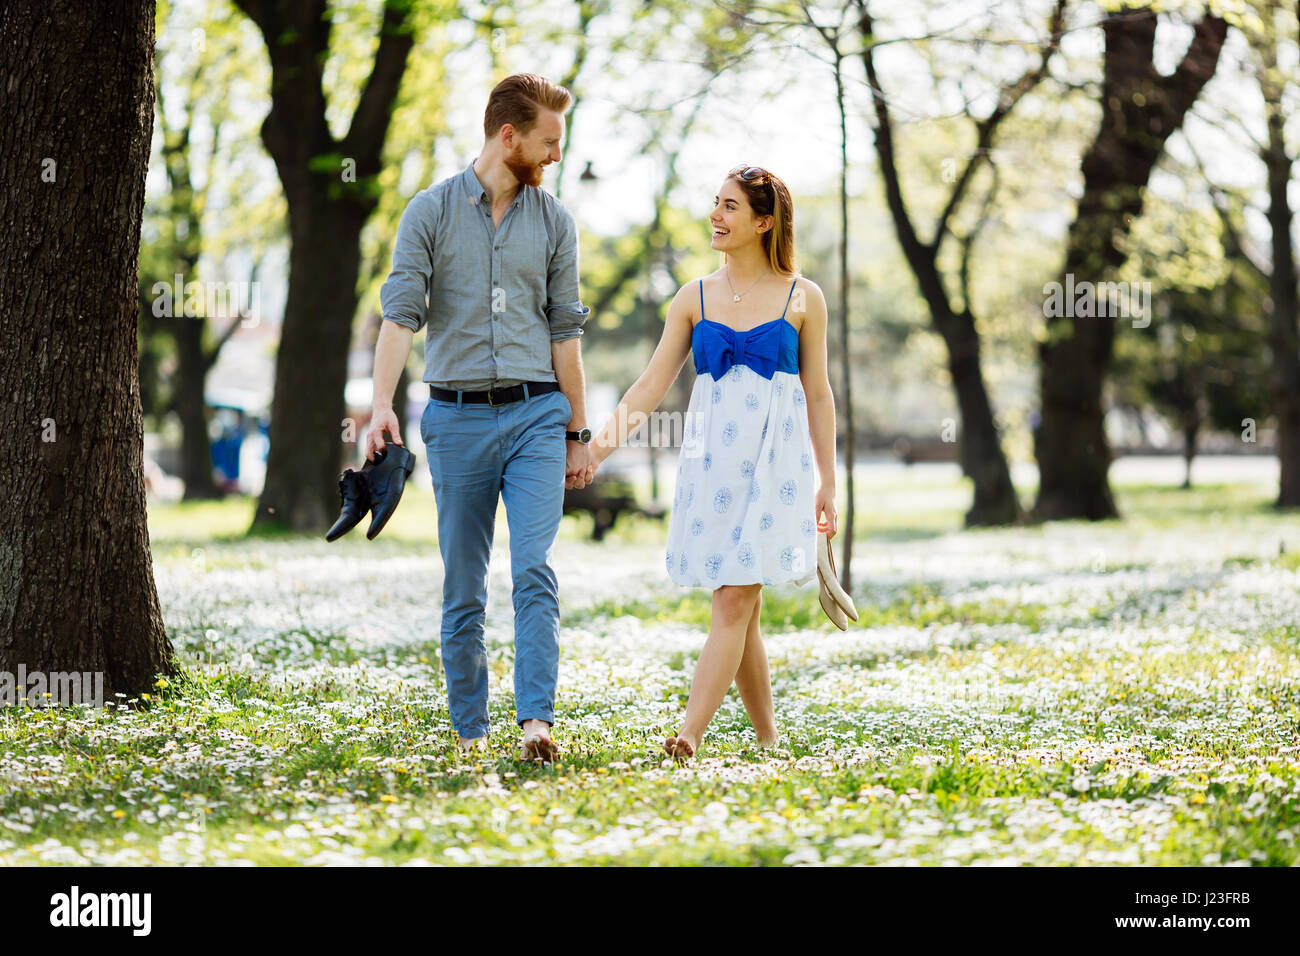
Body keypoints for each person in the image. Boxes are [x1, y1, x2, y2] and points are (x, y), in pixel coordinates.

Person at [366, 74, 595, 762]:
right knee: (463, 587)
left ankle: (537, 723)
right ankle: (470, 731)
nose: (556, 153)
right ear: (509, 135)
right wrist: (381, 403)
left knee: (534, 569)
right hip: (456, 420)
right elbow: (400, 315)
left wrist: (578, 434)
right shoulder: (429, 212)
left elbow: (566, 336)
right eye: (549, 140)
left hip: (535, 419)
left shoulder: (555, 222)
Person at [589, 164, 839, 760]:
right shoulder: (691, 297)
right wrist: (596, 450)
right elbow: (648, 387)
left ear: (763, 221)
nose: (716, 216)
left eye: (730, 207)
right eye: (715, 204)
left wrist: (829, 481)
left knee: (732, 599)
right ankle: (768, 738)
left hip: (778, 466)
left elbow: (820, 392)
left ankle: (689, 735)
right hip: (713, 468)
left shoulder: (805, 297)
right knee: (740, 606)